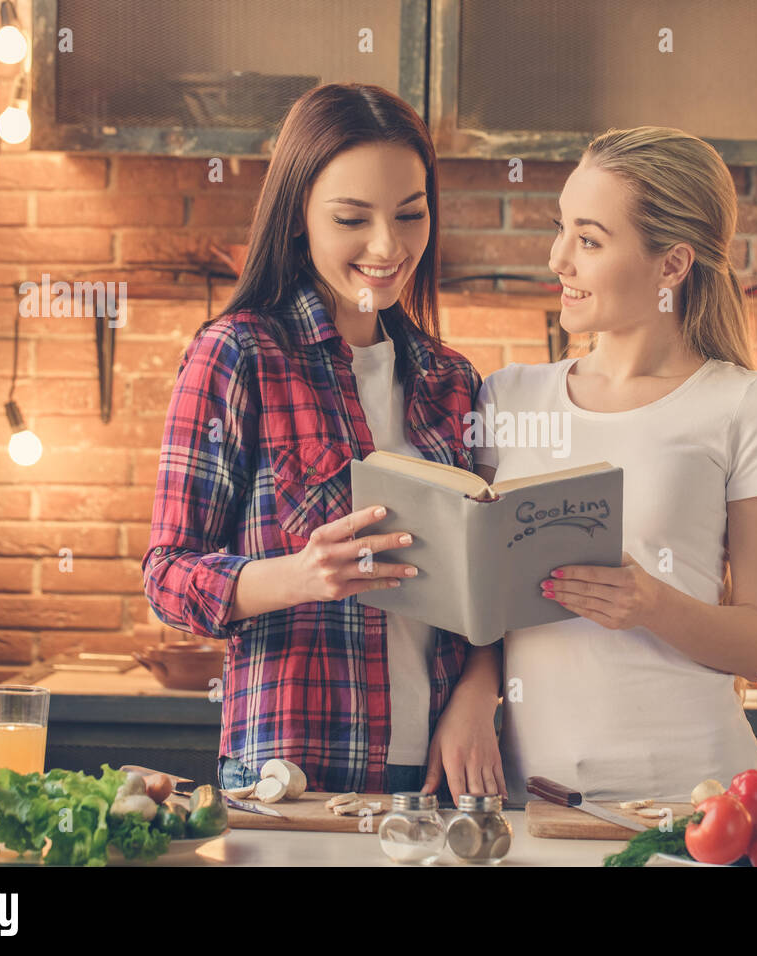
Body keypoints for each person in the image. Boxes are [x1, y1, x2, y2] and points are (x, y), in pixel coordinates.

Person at [142, 84, 505, 801]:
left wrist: (478, 695)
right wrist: (299, 575)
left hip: (436, 779)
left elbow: (489, 588)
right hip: (292, 775)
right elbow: (167, 575)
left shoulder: (452, 381)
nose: (388, 246)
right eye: (352, 218)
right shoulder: (239, 355)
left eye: (410, 214)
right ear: (299, 218)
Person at [461, 126, 757, 802]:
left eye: (589, 240)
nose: (559, 259)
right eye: (561, 229)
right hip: (539, 795)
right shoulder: (508, 396)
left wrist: (651, 603)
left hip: (695, 798)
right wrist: (473, 697)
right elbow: (482, 600)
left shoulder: (745, 404)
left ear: (671, 265)